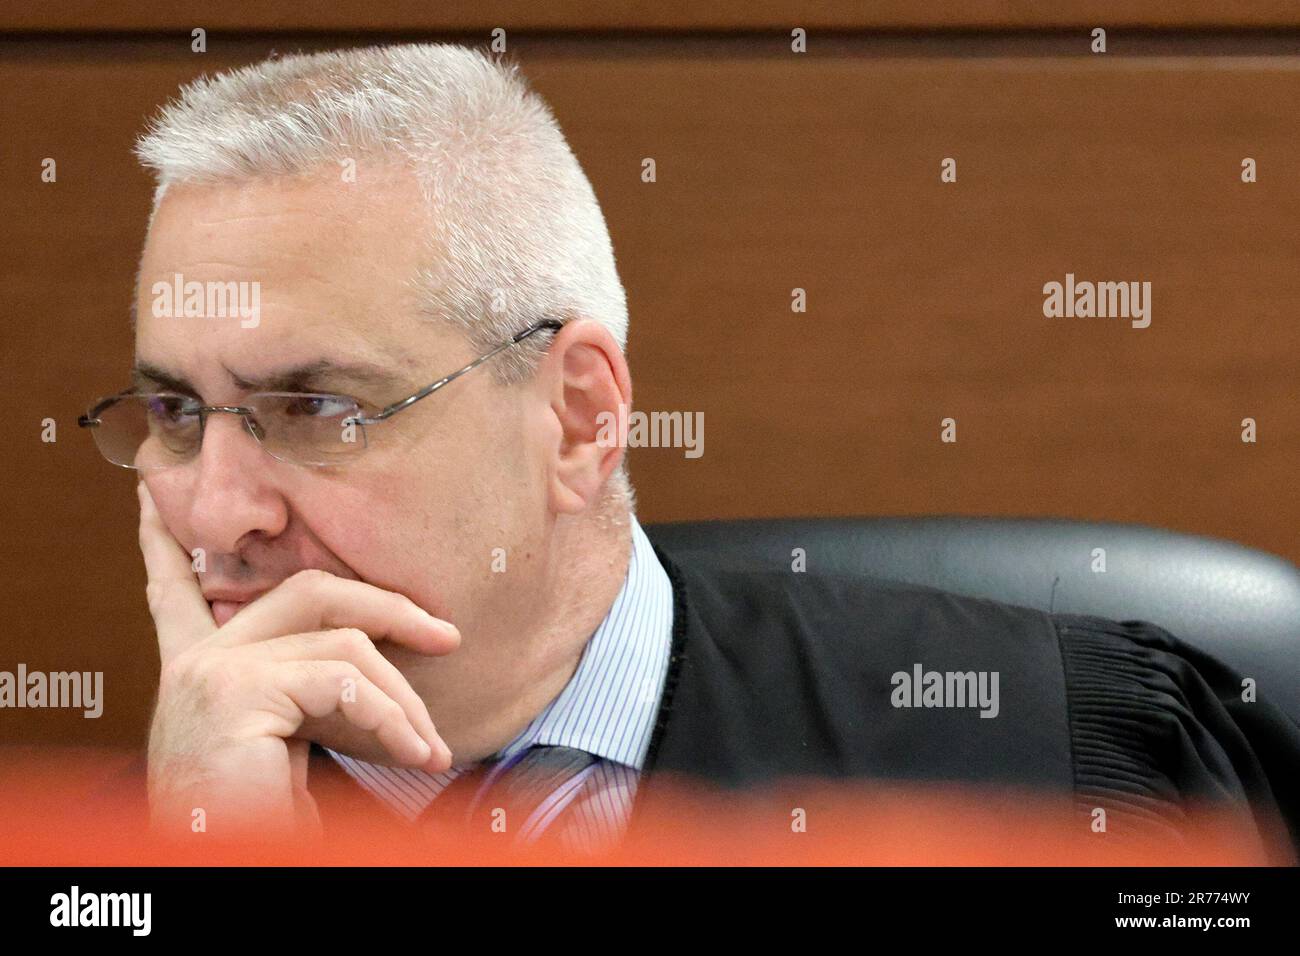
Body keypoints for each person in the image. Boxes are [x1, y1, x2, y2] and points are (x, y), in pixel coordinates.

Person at [83, 43, 1300, 861]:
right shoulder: (137, 839)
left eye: (313, 408)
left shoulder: (1059, 761)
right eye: (177, 415)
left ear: (577, 417)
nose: (215, 513)